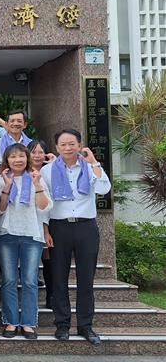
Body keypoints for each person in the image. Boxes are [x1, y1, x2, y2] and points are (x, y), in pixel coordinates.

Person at [41, 129, 111, 345]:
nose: (68, 148)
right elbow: (44, 202)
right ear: (57, 147)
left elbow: (104, 189)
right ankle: (62, 324)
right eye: (63, 144)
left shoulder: (91, 168)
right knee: (59, 278)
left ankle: (85, 325)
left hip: (86, 227)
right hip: (59, 227)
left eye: (72, 144)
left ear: (80, 145)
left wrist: (95, 164)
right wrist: (45, 231)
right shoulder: (47, 170)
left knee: (86, 279)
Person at [0, 143, 51, 339]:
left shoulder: (36, 178)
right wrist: (7, 188)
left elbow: (44, 207)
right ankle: (10, 321)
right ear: (6, 160)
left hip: (32, 234)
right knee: (9, 280)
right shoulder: (0, 180)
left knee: (29, 281)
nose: (17, 160)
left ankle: (28, 323)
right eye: (13, 156)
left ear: (27, 158)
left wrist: (36, 186)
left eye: (21, 156)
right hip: (6, 234)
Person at [28, 139, 56, 304]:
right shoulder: (22, 171)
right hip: (32, 220)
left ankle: (51, 296)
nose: (37, 156)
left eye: (40, 152)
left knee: (48, 259)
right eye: (33, 152)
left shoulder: (49, 171)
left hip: (50, 218)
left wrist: (54, 166)